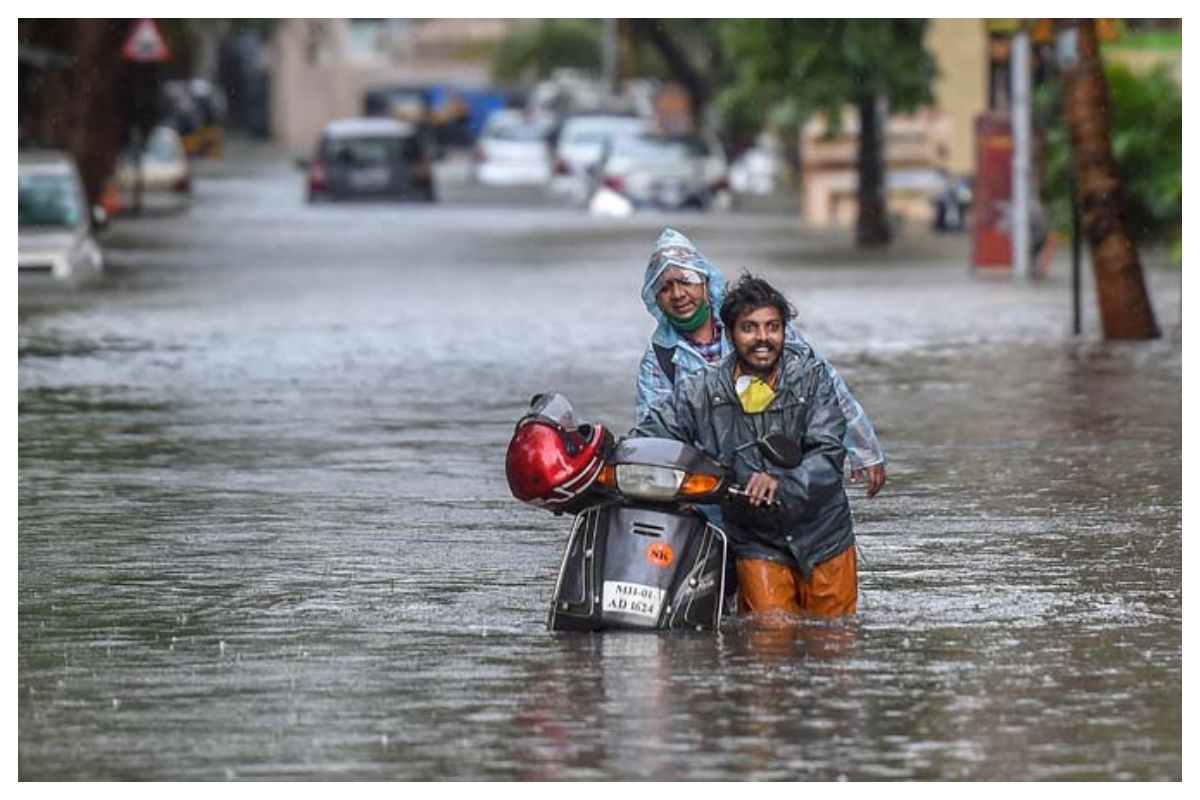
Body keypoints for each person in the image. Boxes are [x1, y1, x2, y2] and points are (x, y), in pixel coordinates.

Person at [634, 274, 858, 617]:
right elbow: (651, 436)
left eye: (773, 327)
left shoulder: (811, 379)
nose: (763, 338)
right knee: (767, 644)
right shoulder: (702, 390)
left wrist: (782, 482)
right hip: (754, 539)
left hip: (824, 534)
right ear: (730, 332)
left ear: (784, 331)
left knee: (835, 643)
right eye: (749, 328)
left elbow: (828, 454)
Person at [635, 228, 887, 498]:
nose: (678, 294)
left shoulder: (759, 325)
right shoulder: (658, 359)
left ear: (706, 283)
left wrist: (864, 450)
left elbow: (827, 389)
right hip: (710, 485)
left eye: (686, 281)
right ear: (656, 299)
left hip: (784, 470)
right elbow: (654, 433)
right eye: (665, 287)